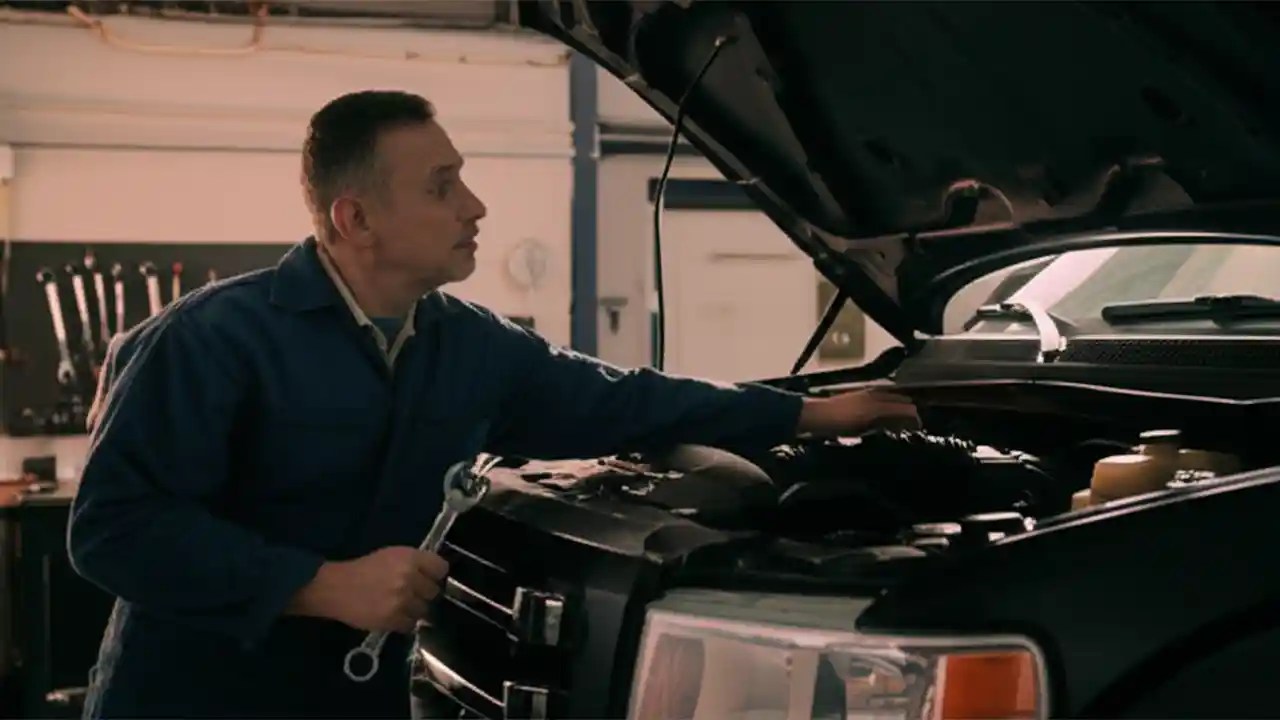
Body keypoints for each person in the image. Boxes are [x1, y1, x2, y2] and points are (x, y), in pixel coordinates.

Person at [68, 89, 920, 719]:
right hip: (192, 699)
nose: (474, 207)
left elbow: (628, 402)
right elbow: (113, 530)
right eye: (442, 186)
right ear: (355, 218)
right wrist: (320, 586)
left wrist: (810, 414)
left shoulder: (470, 344)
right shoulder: (208, 340)